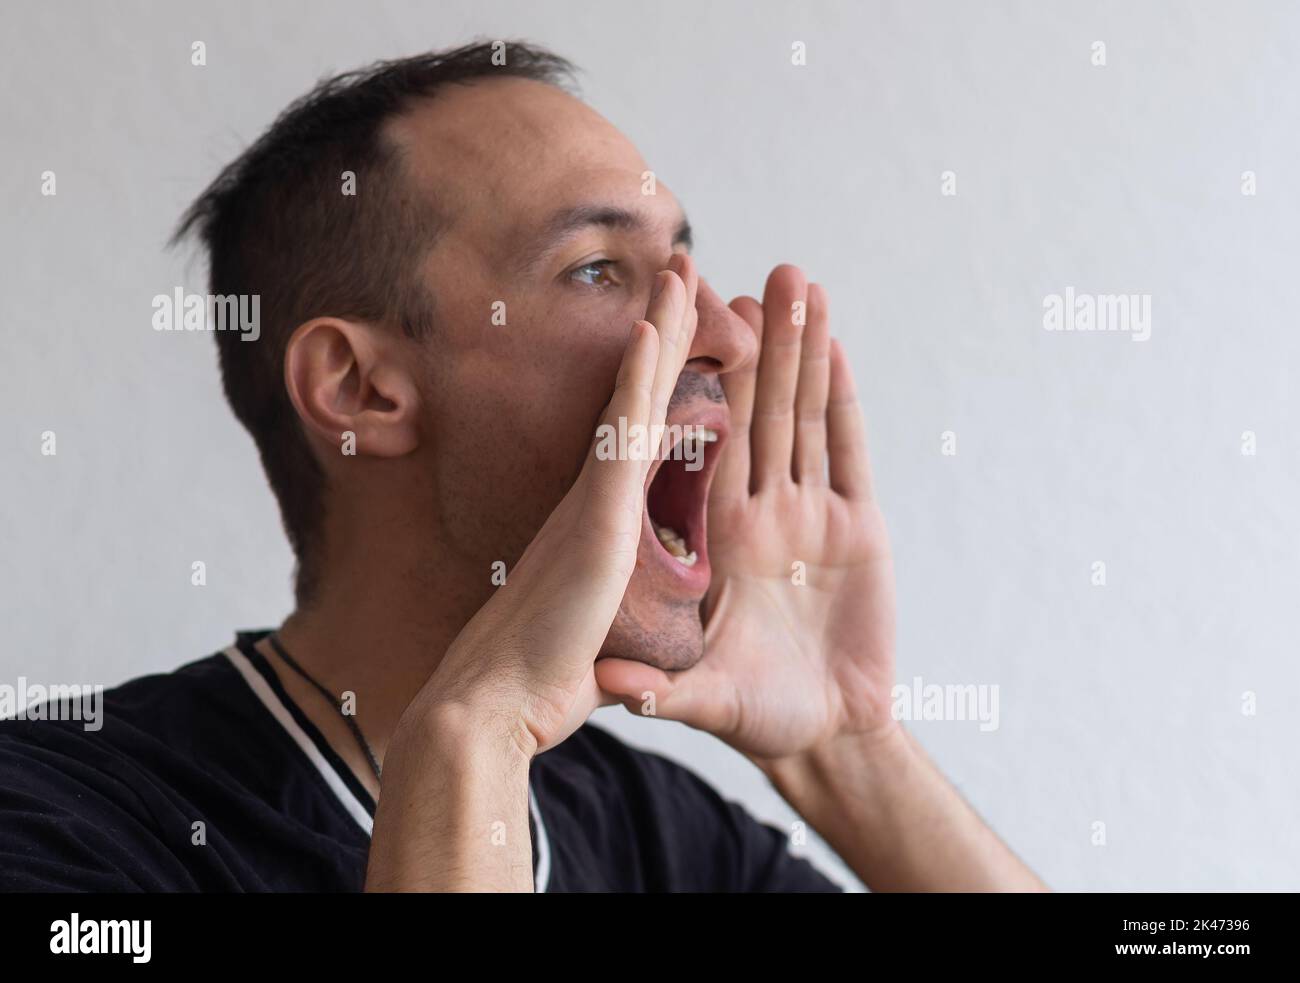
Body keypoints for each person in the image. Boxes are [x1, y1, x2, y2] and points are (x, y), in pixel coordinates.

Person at [0, 41, 1046, 892]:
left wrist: (845, 746)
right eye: (599, 269)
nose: (724, 332)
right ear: (360, 388)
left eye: (683, 269)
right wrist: (469, 738)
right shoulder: (59, 824)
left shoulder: (659, 841)